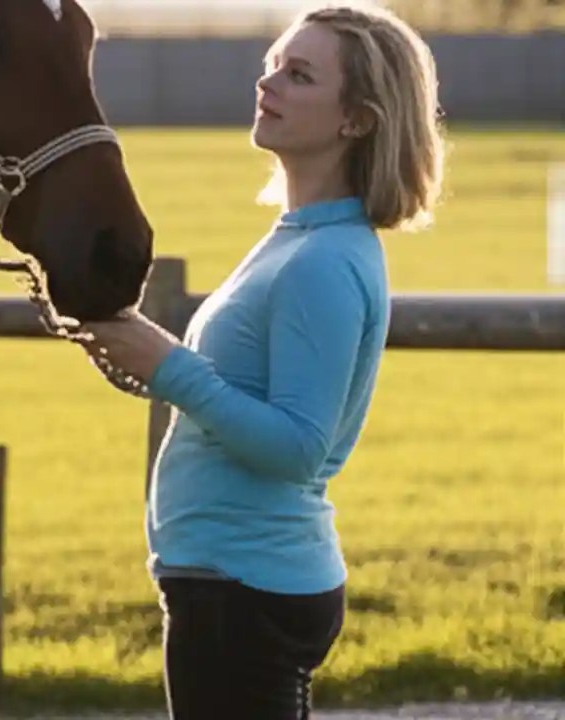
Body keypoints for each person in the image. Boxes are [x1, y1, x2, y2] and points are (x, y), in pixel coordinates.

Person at [80, 3, 447, 718]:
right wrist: (148, 361)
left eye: (299, 74)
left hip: (244, 592)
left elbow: (299, 447)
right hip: (228, 583)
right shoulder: (298, 236)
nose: (269, 82)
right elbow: (240, 392)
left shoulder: (323, 261)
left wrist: (168, 367)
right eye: (274, 63)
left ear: (357, 121)